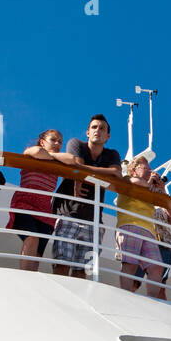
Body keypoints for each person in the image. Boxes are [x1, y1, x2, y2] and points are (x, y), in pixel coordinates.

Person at [51, 114, 123, 277]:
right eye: (94, 127)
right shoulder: (76, 144)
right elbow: (77, 162)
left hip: (94, 221)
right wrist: (100, 172)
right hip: (69, 214)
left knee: (83, 272)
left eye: (102, 128)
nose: (98, 130)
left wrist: (85, 172)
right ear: (88, 132)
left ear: (108, 136)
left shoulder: (112, 154)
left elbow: (117, 173)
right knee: (62, 265)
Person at [11, 129, 74, 271]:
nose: (57, 143)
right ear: (42, 141)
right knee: (31, 238)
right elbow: (37, 152)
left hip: (45, 210)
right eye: (53, 140)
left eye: (60, 142)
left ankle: (30, 284)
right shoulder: (31, 150)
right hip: (25, 203)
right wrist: (54, 156)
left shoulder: (57, 161)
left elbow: (71, 159)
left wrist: (51, 156)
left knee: (38, 253)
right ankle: (25, 279)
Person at [114, 156, 169, 298]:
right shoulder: (127, 178)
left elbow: (165, 201)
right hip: (130, 224)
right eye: (146, 168)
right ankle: (125, 295)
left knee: (157, 267)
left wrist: (161, 188)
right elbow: (137, 183)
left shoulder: (149, 187)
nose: (150, 171)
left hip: (149, 231)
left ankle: (151, 299)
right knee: (130, 264)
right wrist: (151, 183)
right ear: (134, 169)